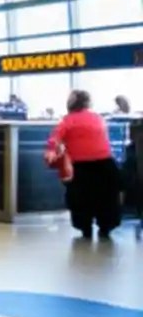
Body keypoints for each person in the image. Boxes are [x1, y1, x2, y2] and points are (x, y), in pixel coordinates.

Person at [49, 90, 121, 239]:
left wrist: (52, 153)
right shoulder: (98, 118)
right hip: (105, 163)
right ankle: (105, 227)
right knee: (106, 199)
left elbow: (55, 139)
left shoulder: (67, 120)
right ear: (88, 103)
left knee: (80, 200)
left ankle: (85, 229)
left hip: (80, 166)